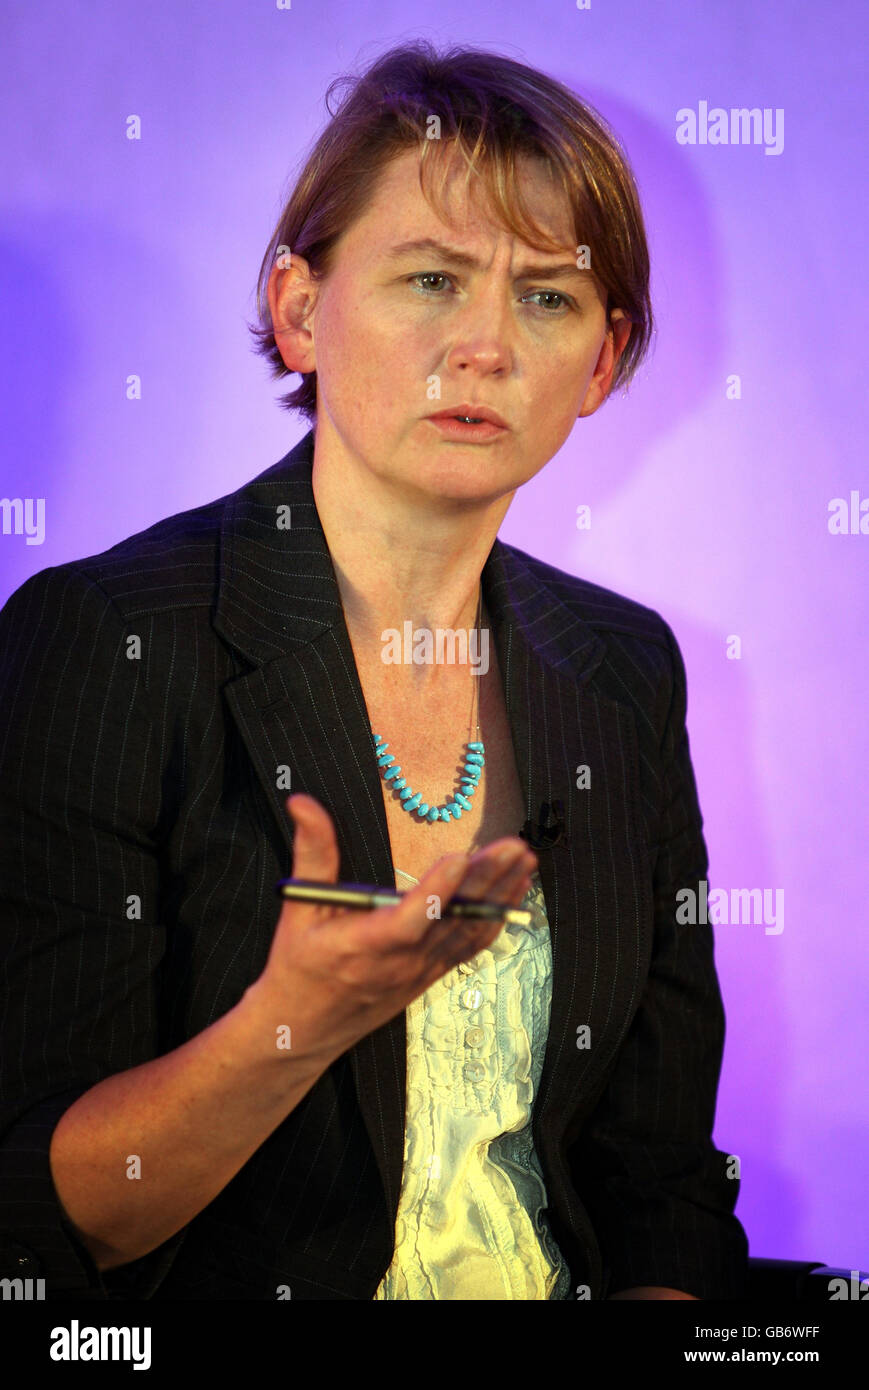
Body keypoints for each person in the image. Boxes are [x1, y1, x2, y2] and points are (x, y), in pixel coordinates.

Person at [0, 40, 748, 1300]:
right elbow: (44, 1217)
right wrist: (288, 1027)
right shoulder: (104, 637)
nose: (486, 347)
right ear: (299, 309)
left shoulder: (624, 668)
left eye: (547, 298)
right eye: (429, 279)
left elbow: (658, 1181)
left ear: (603, 363)